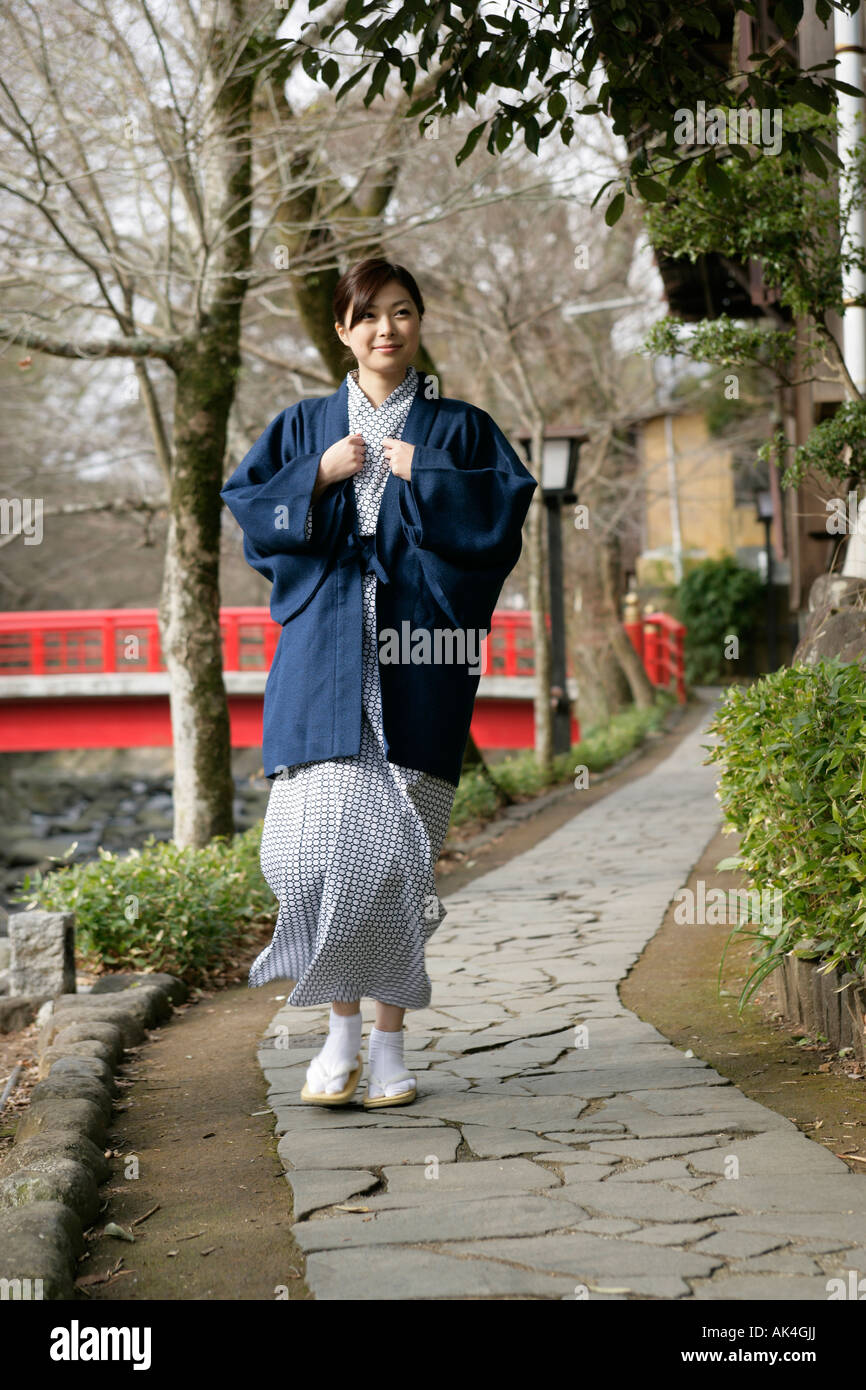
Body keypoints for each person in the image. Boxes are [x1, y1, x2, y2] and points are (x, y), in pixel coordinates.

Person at [220, 257, 536, 1108]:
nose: (386, 330)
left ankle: (387, 1047)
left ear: (420, 322)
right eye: (368, 317)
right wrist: (318, 476)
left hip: (418, 665)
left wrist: (420, 472)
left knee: (395, 864)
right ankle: (341, 1030)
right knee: (309, 858)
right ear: (342, 331)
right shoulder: (302, 426)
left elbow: (501, 518)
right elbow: (249, 509)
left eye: (401, 313)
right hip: (321, 664)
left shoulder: (459, 429)